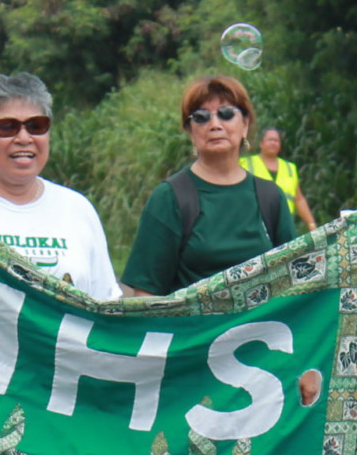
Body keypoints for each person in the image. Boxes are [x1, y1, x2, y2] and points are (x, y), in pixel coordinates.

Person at [0, 72, 119, 299]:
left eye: (36, 125)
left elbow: (105, 304)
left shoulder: (77, 209)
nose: (24, 138)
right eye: (7, 127)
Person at [122, 75, 296, 295]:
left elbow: (295, 281)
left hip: (261, 328)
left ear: (245, 124)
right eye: (201, 117)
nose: (215, 125)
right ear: (190, 131)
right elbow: (145, 295)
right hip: (191, 329)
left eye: (226, 114)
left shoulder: (270, 197)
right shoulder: (170, 197)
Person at [243, 126, 316, 229]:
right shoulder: (245, 163)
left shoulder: (290, 167)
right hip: (255, 224)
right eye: (270, 140)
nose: (273, 143)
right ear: (261, 143)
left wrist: (311, 224)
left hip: (284, 224)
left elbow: (298, 199)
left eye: (276, 140)